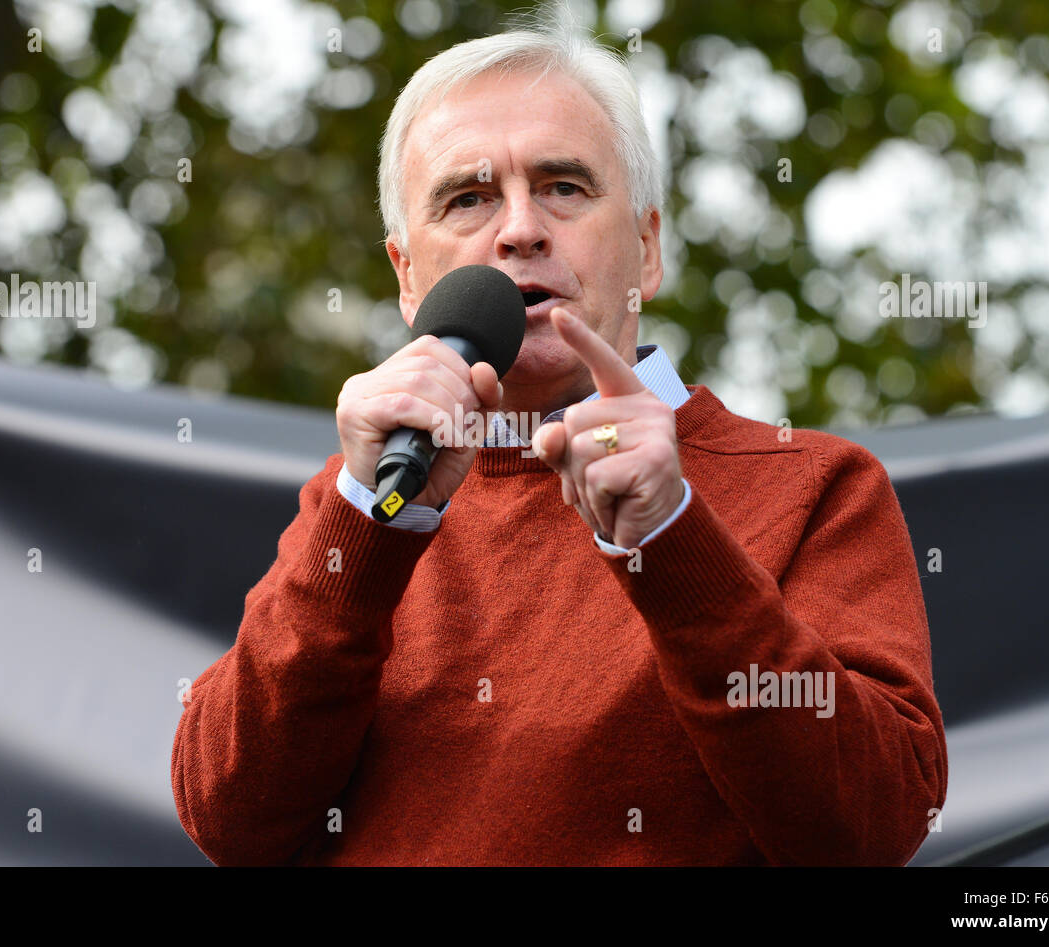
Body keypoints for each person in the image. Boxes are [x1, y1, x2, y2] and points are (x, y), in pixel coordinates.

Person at [170, 13, 947, 866]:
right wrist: (366, 528)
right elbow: (230, 819)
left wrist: (672, 536)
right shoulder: (361, 496)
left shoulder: (815, 486)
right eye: (467, 198)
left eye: (564, 188)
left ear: (647, 250)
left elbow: (872, 829)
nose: (519, 229)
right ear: (406, 276)